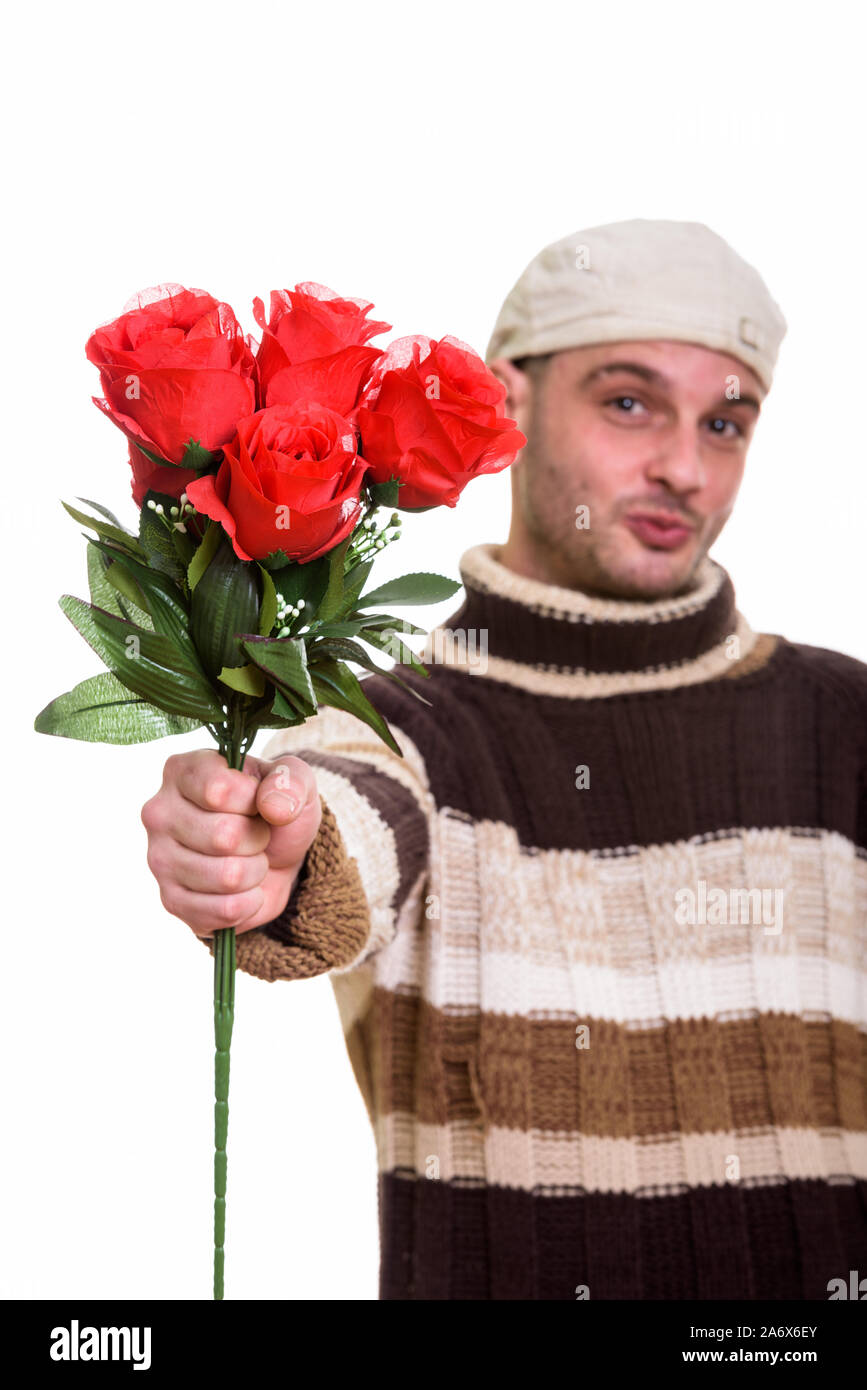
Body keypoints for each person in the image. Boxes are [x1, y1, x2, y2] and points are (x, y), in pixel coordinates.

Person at [141, 219, 867, 1300]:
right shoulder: (403, 726)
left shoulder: (844, 726)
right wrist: (269, 857)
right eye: (629, 401)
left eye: (726, 421)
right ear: (509, 407)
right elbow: (339, 829)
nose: (681, 464)